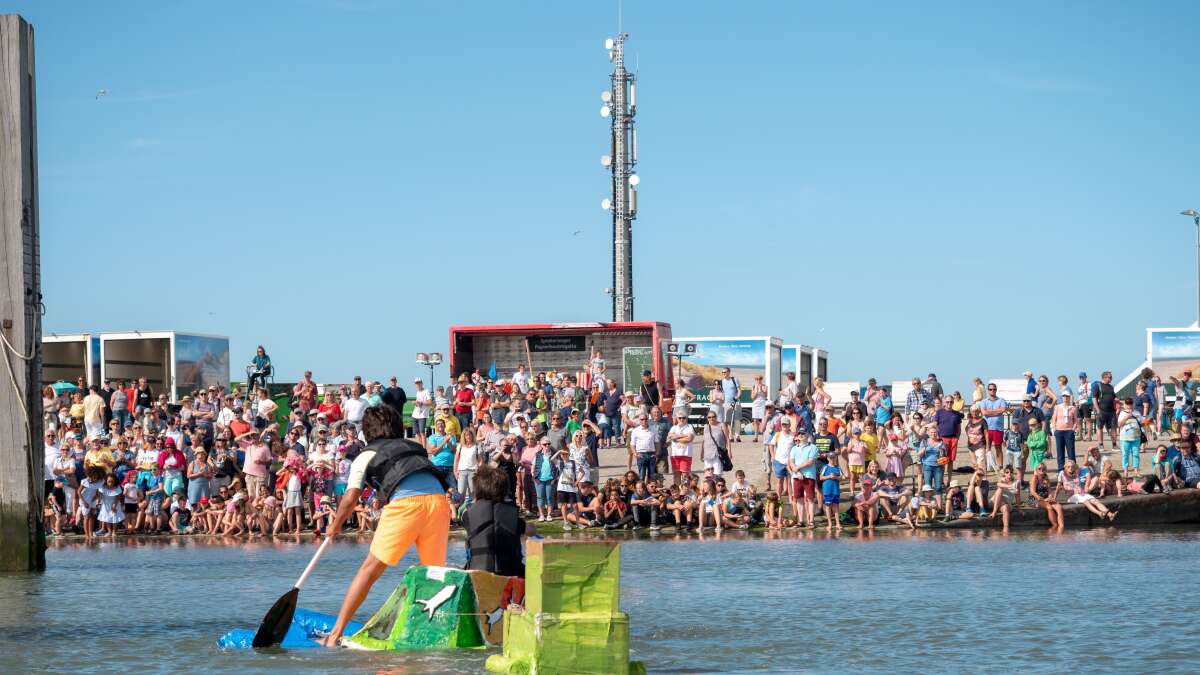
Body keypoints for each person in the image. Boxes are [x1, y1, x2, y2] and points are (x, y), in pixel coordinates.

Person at [320, 406, 452, 648]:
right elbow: (407, 473)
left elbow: (350, 499)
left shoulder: (364, 456)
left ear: (367, 431)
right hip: (439, 503)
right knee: (434, 573)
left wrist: (335, 525)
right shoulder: (414, 446)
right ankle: (436, 632)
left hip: (407, 506)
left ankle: (334, 635)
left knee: (370, 570)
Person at [461, 465, 528, 578]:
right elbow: (531, 529)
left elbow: (463, 514)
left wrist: (475, 500)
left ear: (478, 490)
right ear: (505, 490)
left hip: (478, 572)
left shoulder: (468, 515)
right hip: (509, 572)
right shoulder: (512, 514)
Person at [979, 383, 1008, 472]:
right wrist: (996, 412)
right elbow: (984, 413)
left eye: (994, 389)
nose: (992, 391)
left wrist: (989, 412)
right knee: (986, 448)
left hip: (997, 428)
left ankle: (1000, 467)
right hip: (986, 428)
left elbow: (1003, 410)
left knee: (998, 447)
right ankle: (986, 466)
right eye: (990, 389)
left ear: (996, 390)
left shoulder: (1001, 400)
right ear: (988, 390)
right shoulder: (984, 401)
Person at [667, 412, 695, 487]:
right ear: (676, 419)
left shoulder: (689, 427)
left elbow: (689, 439)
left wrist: (676, 439)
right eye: (680, 418)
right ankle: (677, 491)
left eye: (683, 418)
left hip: (686, 454)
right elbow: (670, 436)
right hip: (675, 455)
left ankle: (684, 491)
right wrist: (684, 435)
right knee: (676, 474)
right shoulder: (674, 427)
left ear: (686, 419)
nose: (681, 419)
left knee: (685, 475)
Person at [700, 410, 730, 478]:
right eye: (709, 417)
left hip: (718, 453)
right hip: (707, 454)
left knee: (717, 474)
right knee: (708, 475)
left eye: (713, 417)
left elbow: (727, 439)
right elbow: (704, 441)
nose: (711, 419)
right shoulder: (706, 427)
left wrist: (729, 452)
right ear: (707, 418)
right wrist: (701, 453)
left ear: (716, 417)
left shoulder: (721, 425)